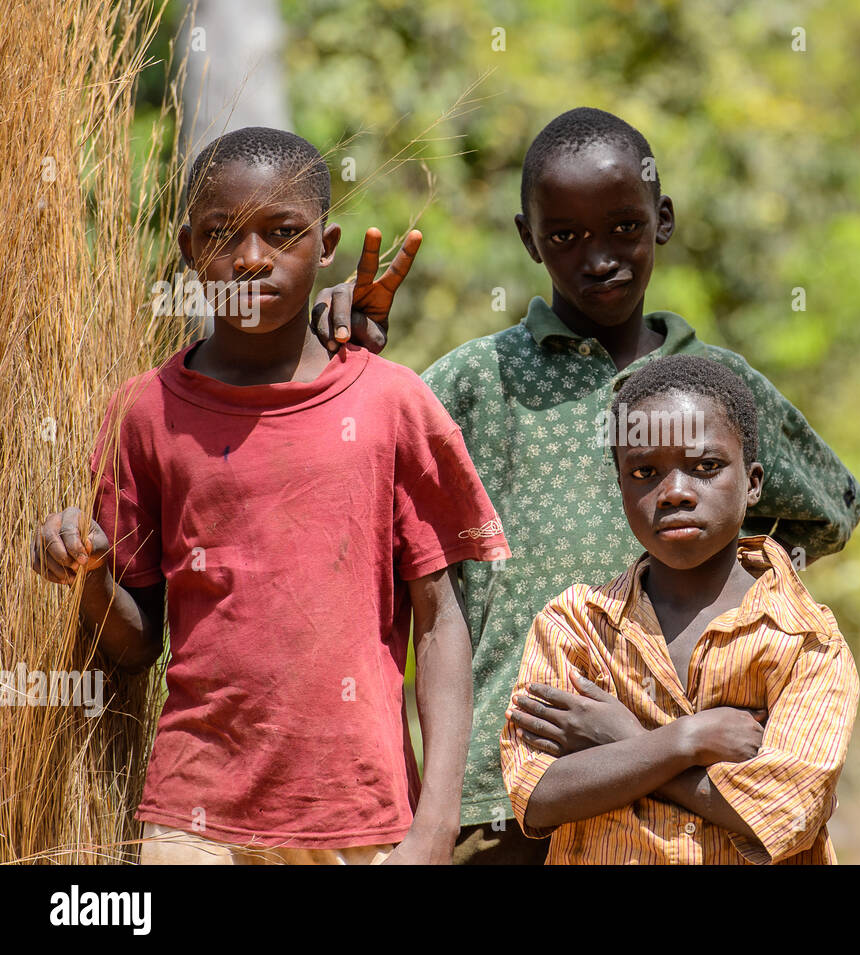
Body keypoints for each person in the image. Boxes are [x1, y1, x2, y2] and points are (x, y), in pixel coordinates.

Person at [315, 107, 860, 863]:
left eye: (622, 228)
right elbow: (350, 500)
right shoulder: (480, 381)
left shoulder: (718, 386)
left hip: (699, 790)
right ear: (526, 238)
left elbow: (828, 509)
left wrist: (738, 624)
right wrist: (340, 363)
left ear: (661, 219)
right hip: (510, 790)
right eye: (566, 236)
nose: (598, 256)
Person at [31, 127, 509, 864]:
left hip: (359, 819)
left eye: (283, 233)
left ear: (326, 245)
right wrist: (89, 574)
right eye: (223, 234)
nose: (252, 259)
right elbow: (135, 644)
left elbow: (440, 619)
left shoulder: (391, 403)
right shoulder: (144, 411)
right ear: (188, 246)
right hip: (194, 823)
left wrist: (434, 824)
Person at [499, 355, 858, 864]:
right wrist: (684, 742)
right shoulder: (574, 625)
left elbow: (786, 813)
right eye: (645, 472)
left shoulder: (806, 640)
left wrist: (623, 741)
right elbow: (537, 796)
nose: (675, 493)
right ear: (621, 486)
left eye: (706, 467)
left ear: (753, 482)